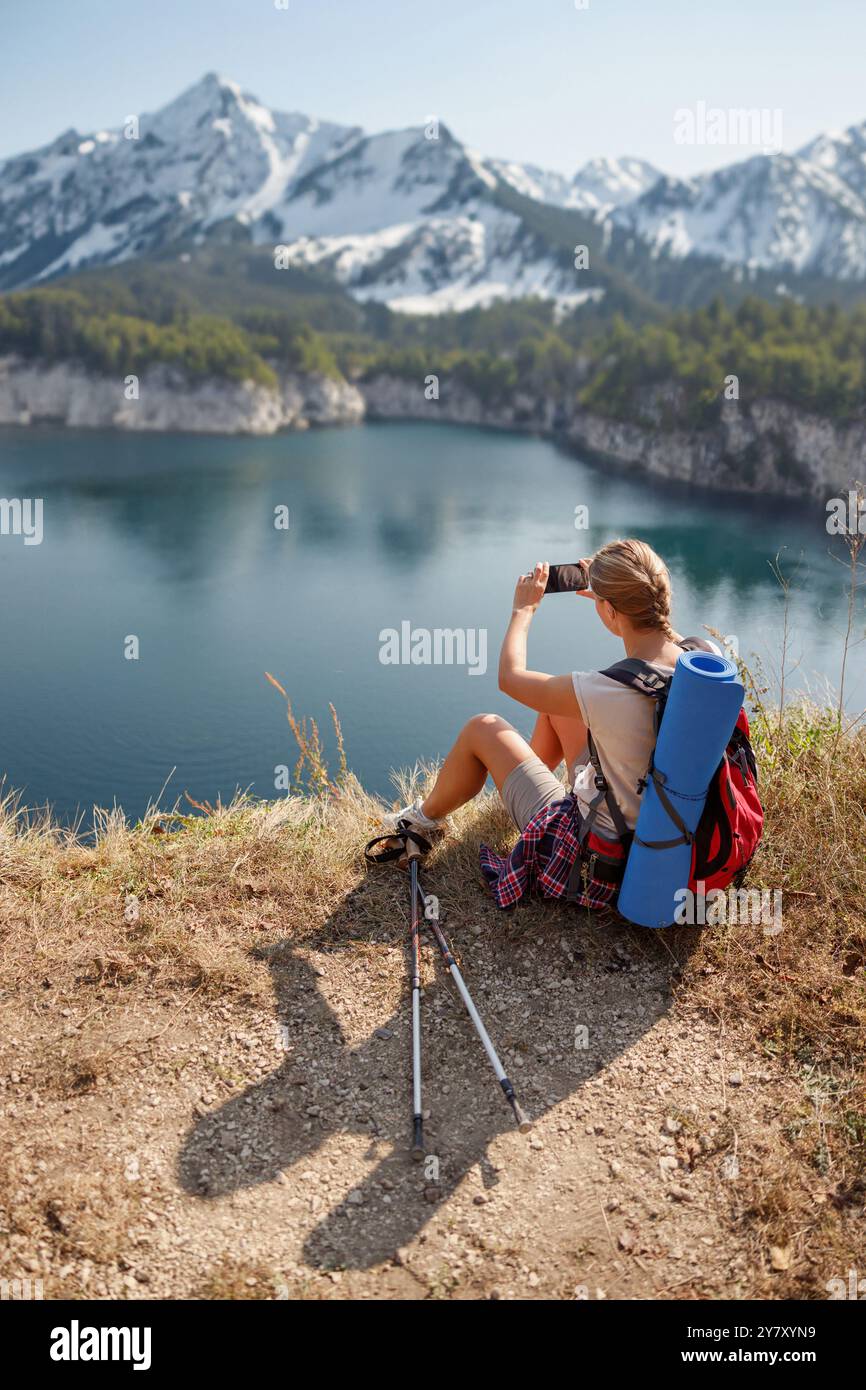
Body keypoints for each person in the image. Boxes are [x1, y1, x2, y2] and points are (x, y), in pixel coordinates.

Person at [384, 538, 718, 909]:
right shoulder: (702, 660)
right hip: (667, 838)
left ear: (609, 611)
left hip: (599, 860)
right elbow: (649, 636)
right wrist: (616, 594)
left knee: (484, 727)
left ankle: (421, 821)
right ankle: (515, 794)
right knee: (558, 707)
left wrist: (523, 610)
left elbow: (510, 678)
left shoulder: (604, 690)